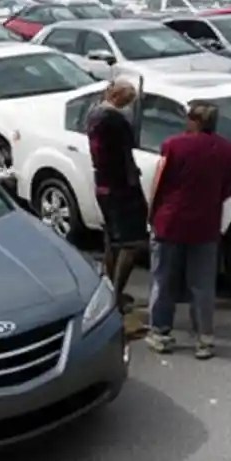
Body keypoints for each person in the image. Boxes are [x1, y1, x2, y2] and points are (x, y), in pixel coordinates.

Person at [145, 101, 231, 360]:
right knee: (202, 284)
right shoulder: (226, 149)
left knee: (164, 279)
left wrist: (151, 215)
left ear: (193, 121)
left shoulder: (173, 146)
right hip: (206, 225)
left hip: (171, 222)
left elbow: (159, 183)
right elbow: (229, 187)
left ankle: (161, 333)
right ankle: (204, 338)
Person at [86, 78, 149, 311]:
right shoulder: (114, 121)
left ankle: (109, 291)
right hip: (120, 187)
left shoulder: (94, 114)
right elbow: (127, 150)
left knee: (113, 240)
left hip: (102, 183)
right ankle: (116, 296)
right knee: (131, 243)